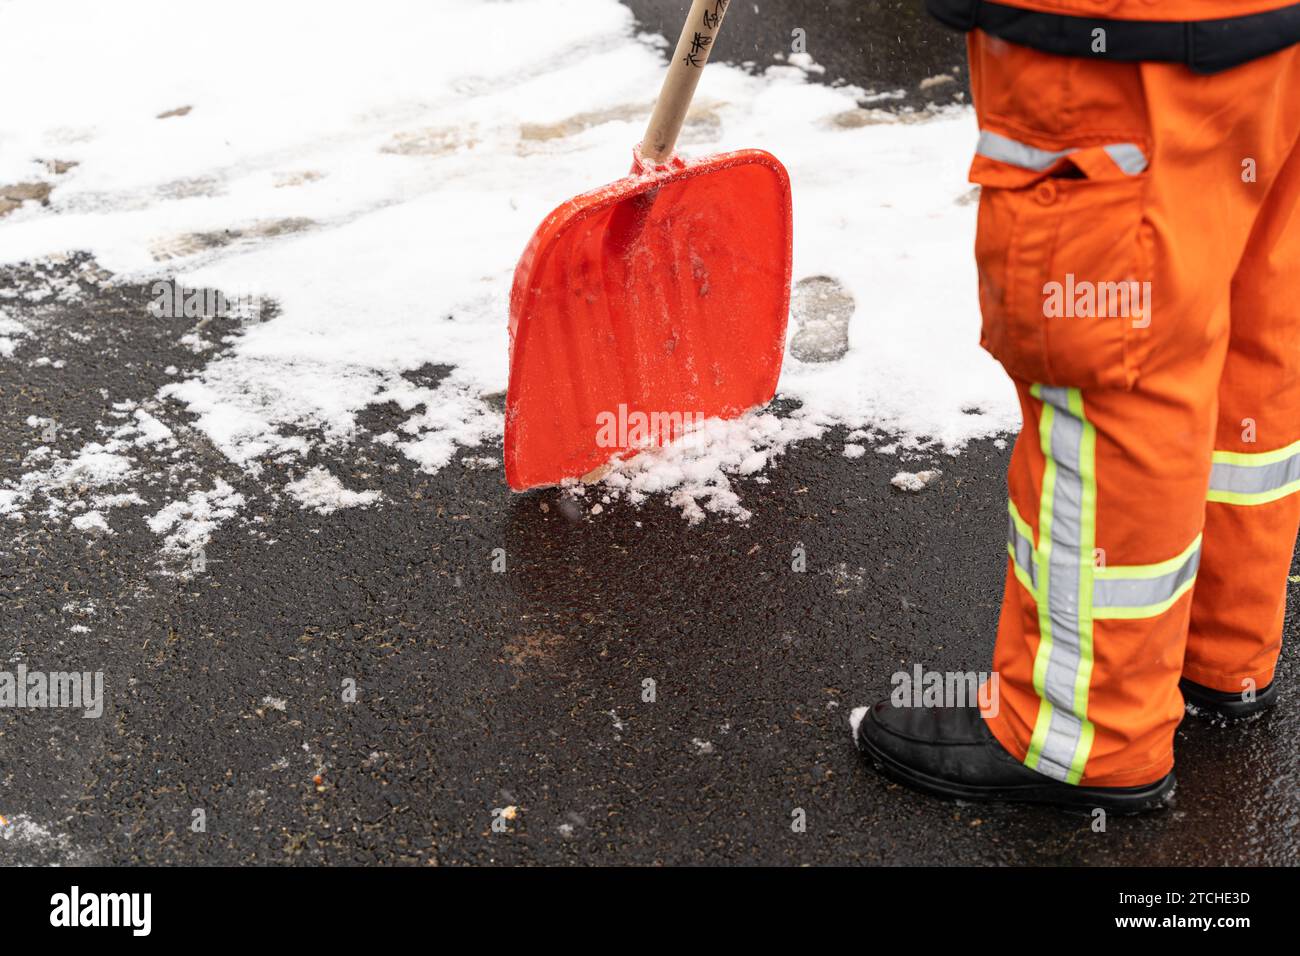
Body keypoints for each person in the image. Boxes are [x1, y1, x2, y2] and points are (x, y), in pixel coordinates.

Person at [853, 0, 1300, 811]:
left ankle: (1086, 731)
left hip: (1118, 42)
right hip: (1267, 30)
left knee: (1111, 371)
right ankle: (1219, 648)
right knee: (1245, 326)